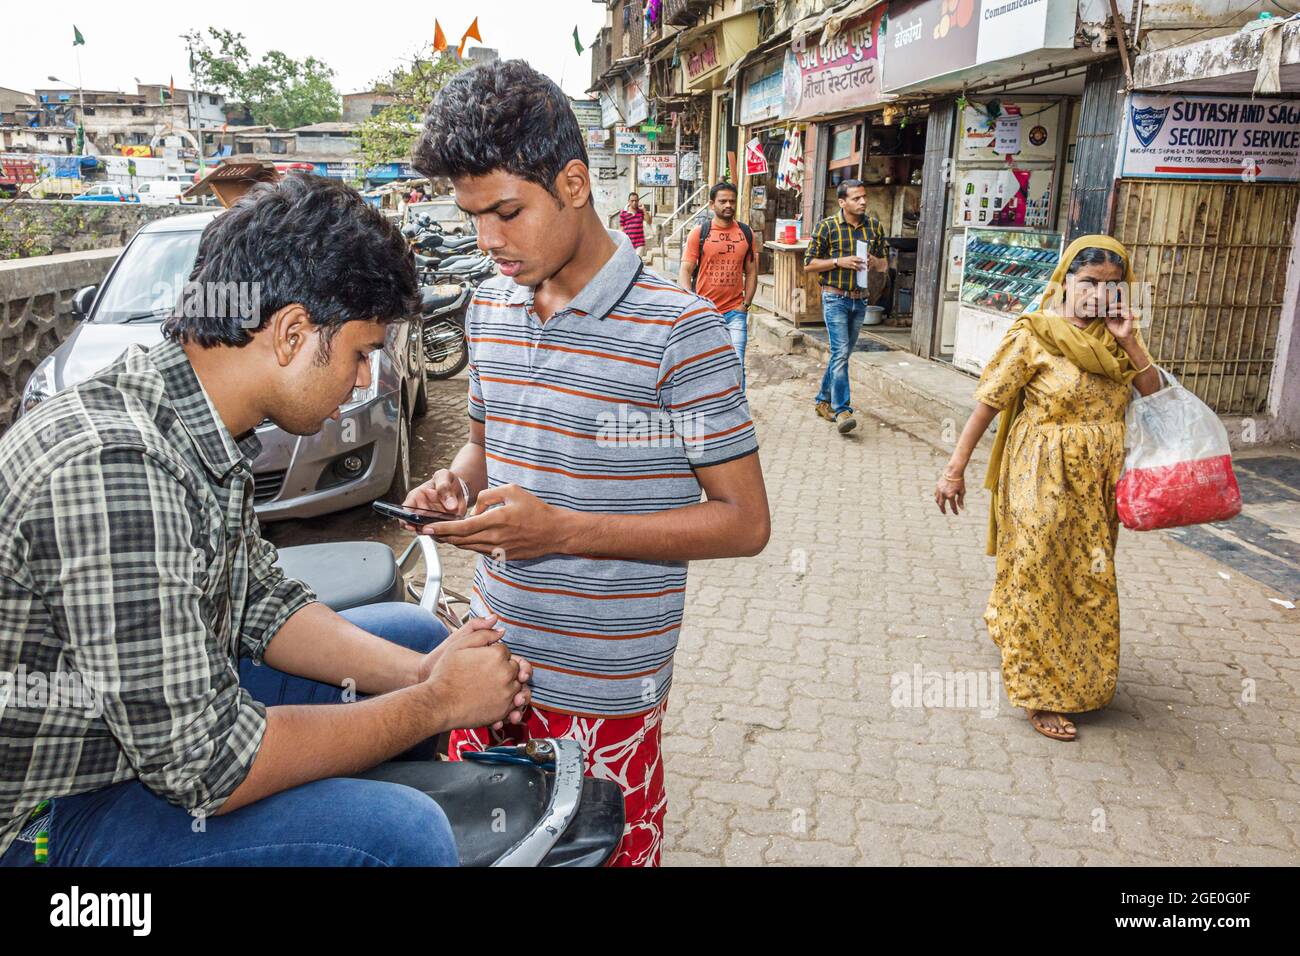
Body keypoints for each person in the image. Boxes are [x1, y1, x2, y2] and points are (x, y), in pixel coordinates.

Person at [0, 174, 531, 867]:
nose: (361, 379)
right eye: (360, 353)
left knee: (410, 633)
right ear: (289, 333)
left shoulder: (189, 415)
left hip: (137, 734)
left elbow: (260, 602)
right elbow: (206, 765)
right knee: (404, 836)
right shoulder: (115, 466)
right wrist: (434, 702)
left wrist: (425, 670)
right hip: (50, 814)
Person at [410, 59, 771, 866]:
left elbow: (745, 525)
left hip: (610, 685)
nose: (489, 241)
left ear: (574, 182)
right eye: (473, 217)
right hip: (489, 661)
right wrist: (454, 485)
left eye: (507, 211)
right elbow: (483, 442)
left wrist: (565, 531)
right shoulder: (487, 306)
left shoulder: (683, 333)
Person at [934, 235, 1162, 742]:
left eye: (1111, 285)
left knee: (1085, 576)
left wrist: (1129, 341)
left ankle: (1073, 672)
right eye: (1088, 283)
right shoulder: (1034, 333)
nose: (1099, 295)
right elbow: (988, 405)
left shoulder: (1118, 338)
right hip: (1039, 473)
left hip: (1098, 483)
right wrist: (955, 468)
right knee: (1038, 570)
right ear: (1065, 280)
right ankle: (1040, 692)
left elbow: (1154, 397)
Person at [802, 179, 889, 435]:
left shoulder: (874, 227)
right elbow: (809, 263)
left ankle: (822, 400)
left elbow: (885, 264)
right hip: (834, 298)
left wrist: (874, 262)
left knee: (842, 355)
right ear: (842, 202)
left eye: (864, 197)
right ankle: (843, 410)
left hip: (860, 299)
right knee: (840, 353)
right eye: (856, 198)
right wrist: (839, 261)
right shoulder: (827, 227)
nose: (862, 202)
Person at [678, 181, 757, 389]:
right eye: (723, 201)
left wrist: (745, 304)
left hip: (735, 313)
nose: (728, 205)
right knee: (703, 365)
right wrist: (691, 303)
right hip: (705, 311)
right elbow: (685, 270)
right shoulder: (699, 232)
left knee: (736, 365)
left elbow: (751, 272)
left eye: (732, 201)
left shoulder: (746, 233)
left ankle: (737, 415)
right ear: (712, 204)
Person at [619, 191, 650, 257]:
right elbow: (621, 228)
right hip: (628, 244)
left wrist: (644, 209)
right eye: (632, 201)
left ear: (638, 201)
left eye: (636, 201)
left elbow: (649, 221)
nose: (634, 203)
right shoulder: (623, 213)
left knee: (638, 261)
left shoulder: (641, 211)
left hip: (639, 243)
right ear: (628, 201)